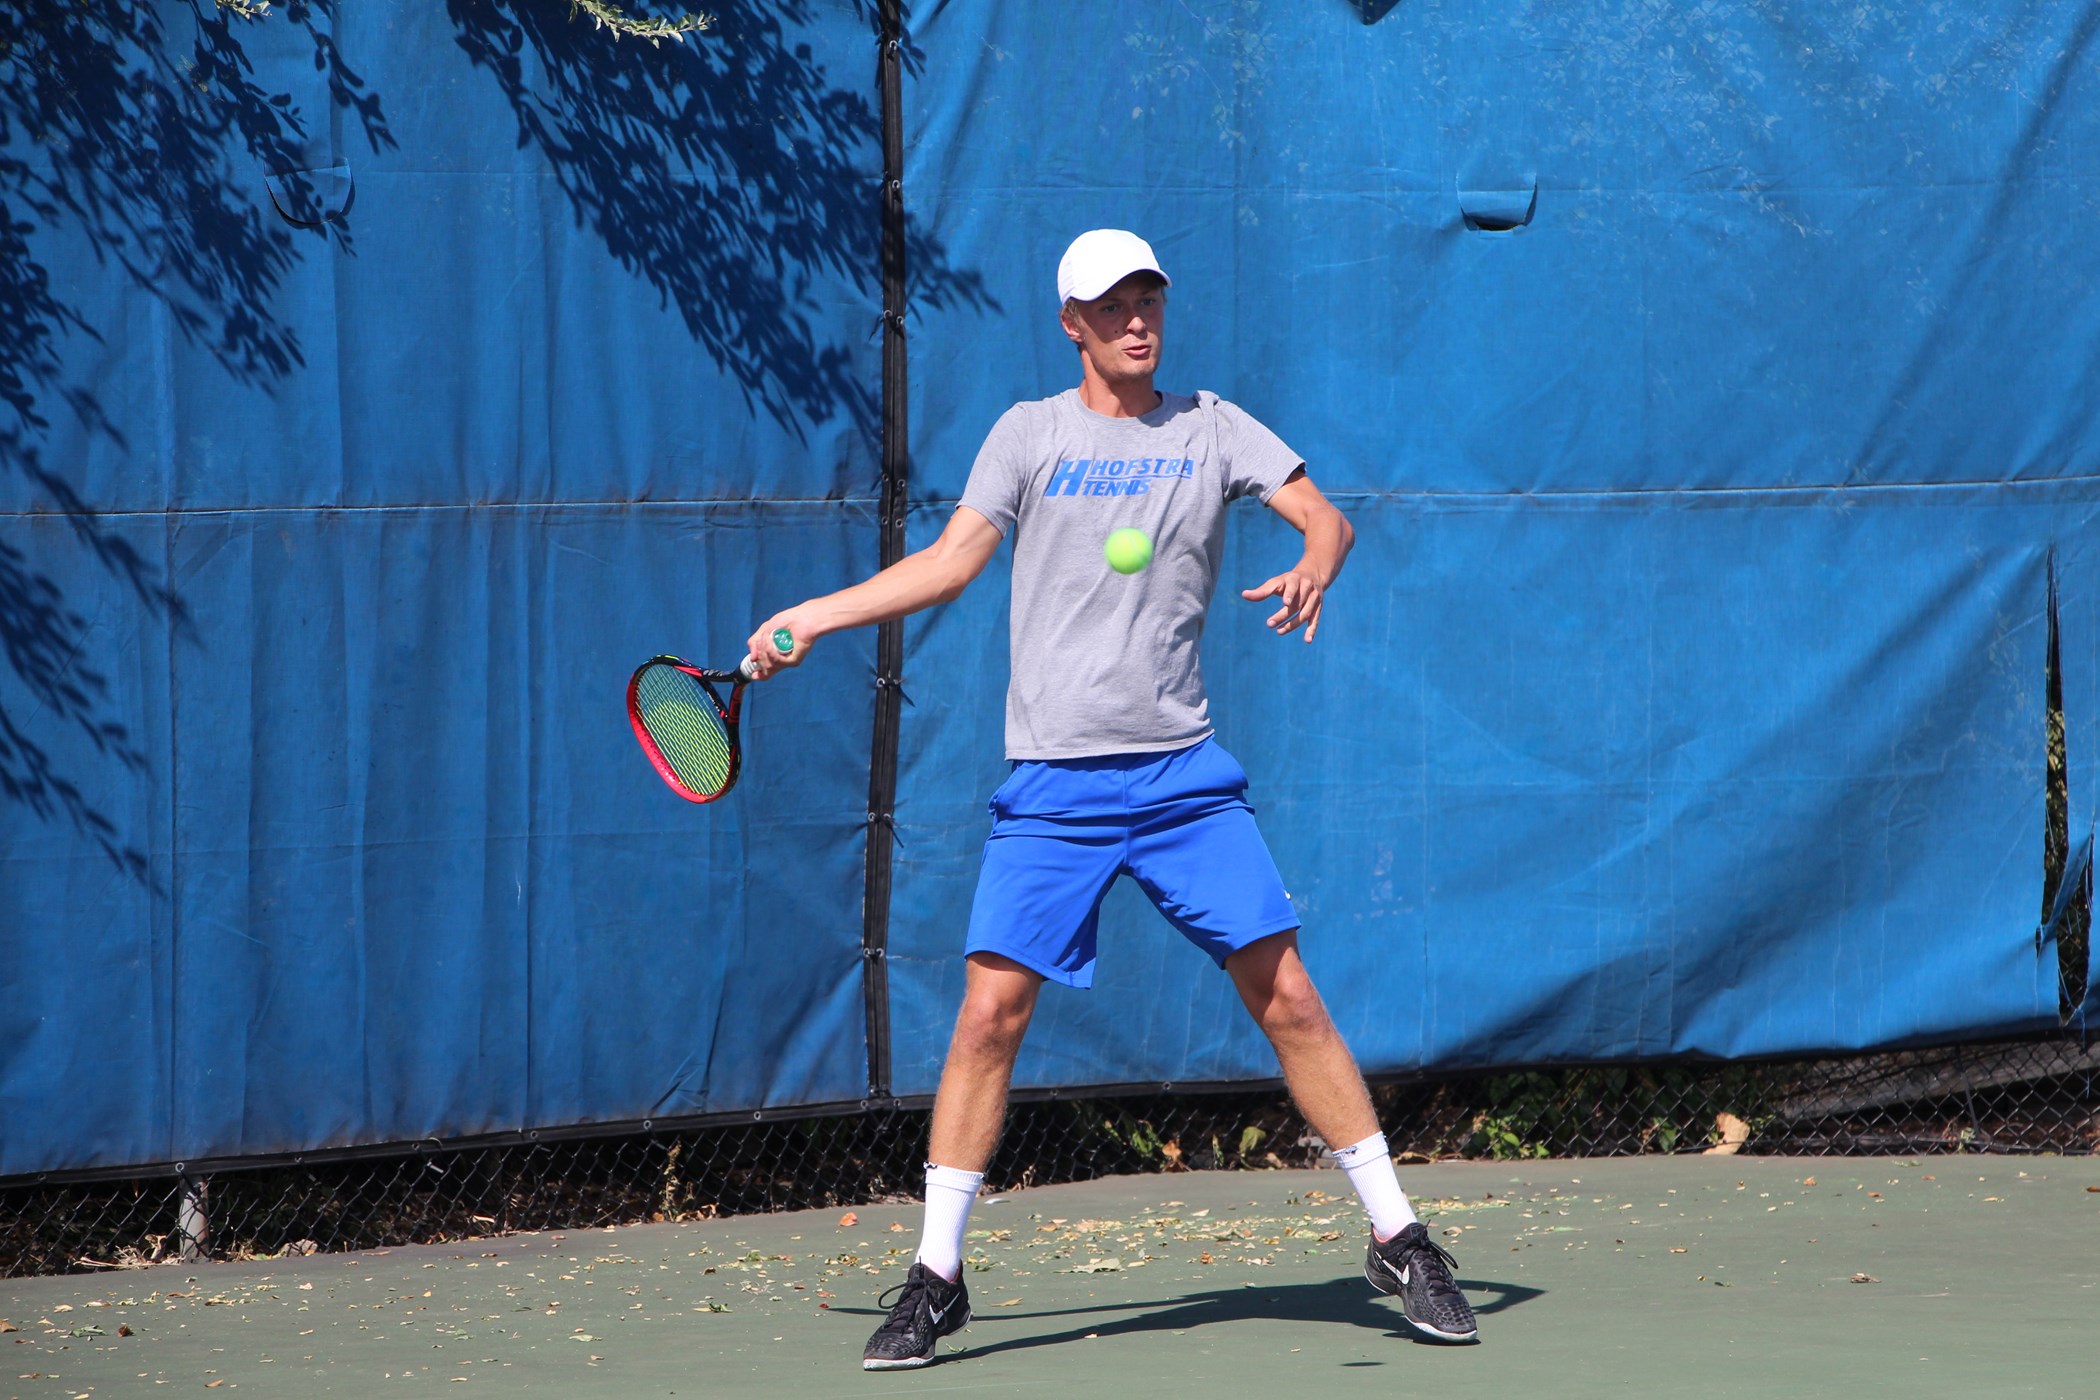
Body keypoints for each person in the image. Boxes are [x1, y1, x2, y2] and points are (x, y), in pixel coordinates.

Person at [745, 229, 1478, 1369]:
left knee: (1289, 997)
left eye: (1149, 297)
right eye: (1111, 303)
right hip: (1055, 784)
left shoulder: (1212, 424)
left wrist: (1318, 560)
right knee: (990, 1016)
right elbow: (945, 564)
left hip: (1183, 778)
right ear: (1070, 323)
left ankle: (1400, 1235)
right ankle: (936, 1277)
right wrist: (813, 617)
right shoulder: (1028, 435)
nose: (1137, 317)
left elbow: (1325, 515)